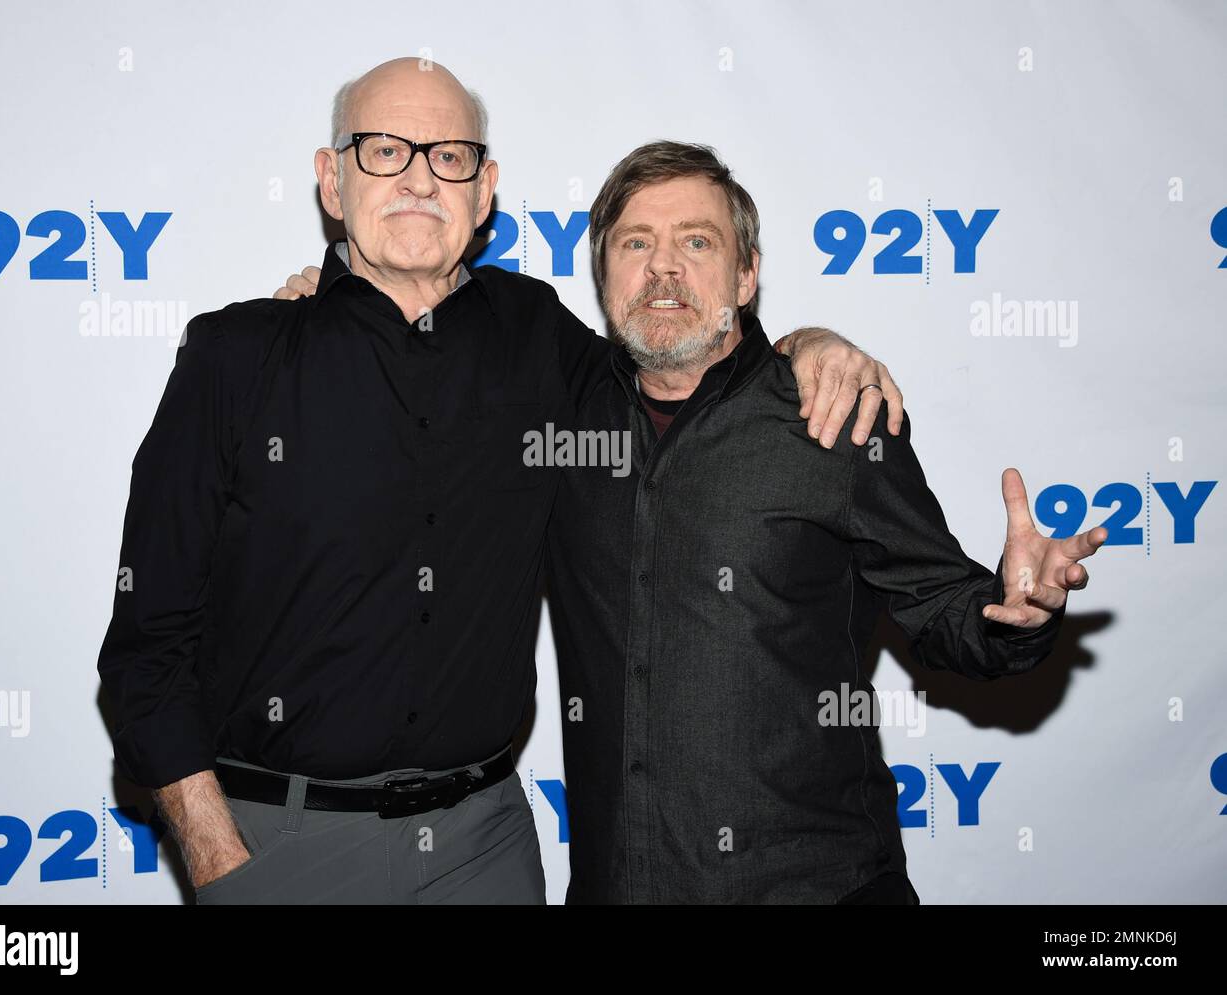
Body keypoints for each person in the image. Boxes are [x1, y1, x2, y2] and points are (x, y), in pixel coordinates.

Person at [96, 58, 895, 905]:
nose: (416, 178)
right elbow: (148, 645)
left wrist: (806, 343)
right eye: (383, 151)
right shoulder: (234, 357)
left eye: (448, 156)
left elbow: (688, 362)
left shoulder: (538, 335)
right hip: (282, 846)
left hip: (487, 848)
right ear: (332, 182)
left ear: (484, 193)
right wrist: (223, 863)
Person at [544, 141, 1107, 903]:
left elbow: (943, 604)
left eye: (697, 242)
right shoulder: (558, 415)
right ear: (603, 270)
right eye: (636, 242)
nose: (664, 266)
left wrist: (1019, 614)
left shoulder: (833, 416)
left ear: (746, 276)